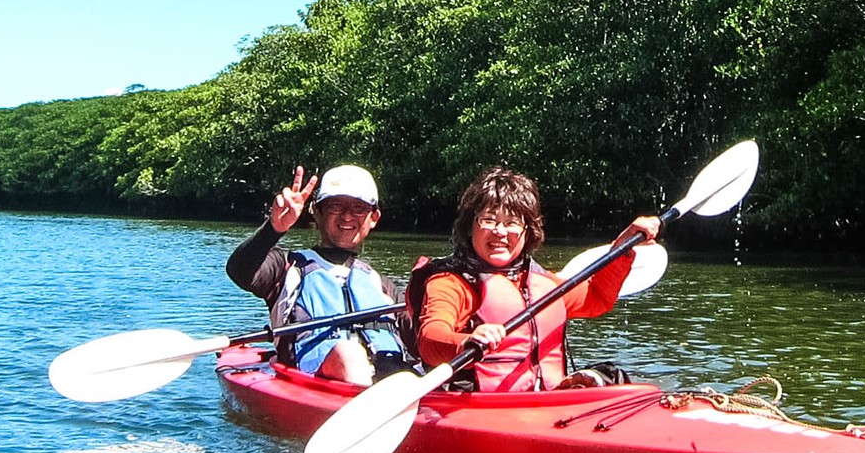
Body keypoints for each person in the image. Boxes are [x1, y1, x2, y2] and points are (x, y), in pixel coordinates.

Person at [408, 166, 662, 392]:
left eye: (512, 223)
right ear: (469, 226)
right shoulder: (451, 282)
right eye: (488, 220)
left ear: (527, 231)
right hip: (480, 408)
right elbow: (430, 339)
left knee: (612, 376)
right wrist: (467, 341)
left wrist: (622, 247)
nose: (500, 231)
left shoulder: (543, 282)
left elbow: (597, 298)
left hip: (546, 405)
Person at [226, 163, 410, 384]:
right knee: (349, 354)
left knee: (407, 375)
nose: (347, 217)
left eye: (358, 208)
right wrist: (273, 228)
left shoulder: (381, 284)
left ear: (373, 218)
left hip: (390, 379)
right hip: (318, 378)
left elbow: (421, 339)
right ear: (317, 212)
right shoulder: (286, 267)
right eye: (336, 206)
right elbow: (239, 270)